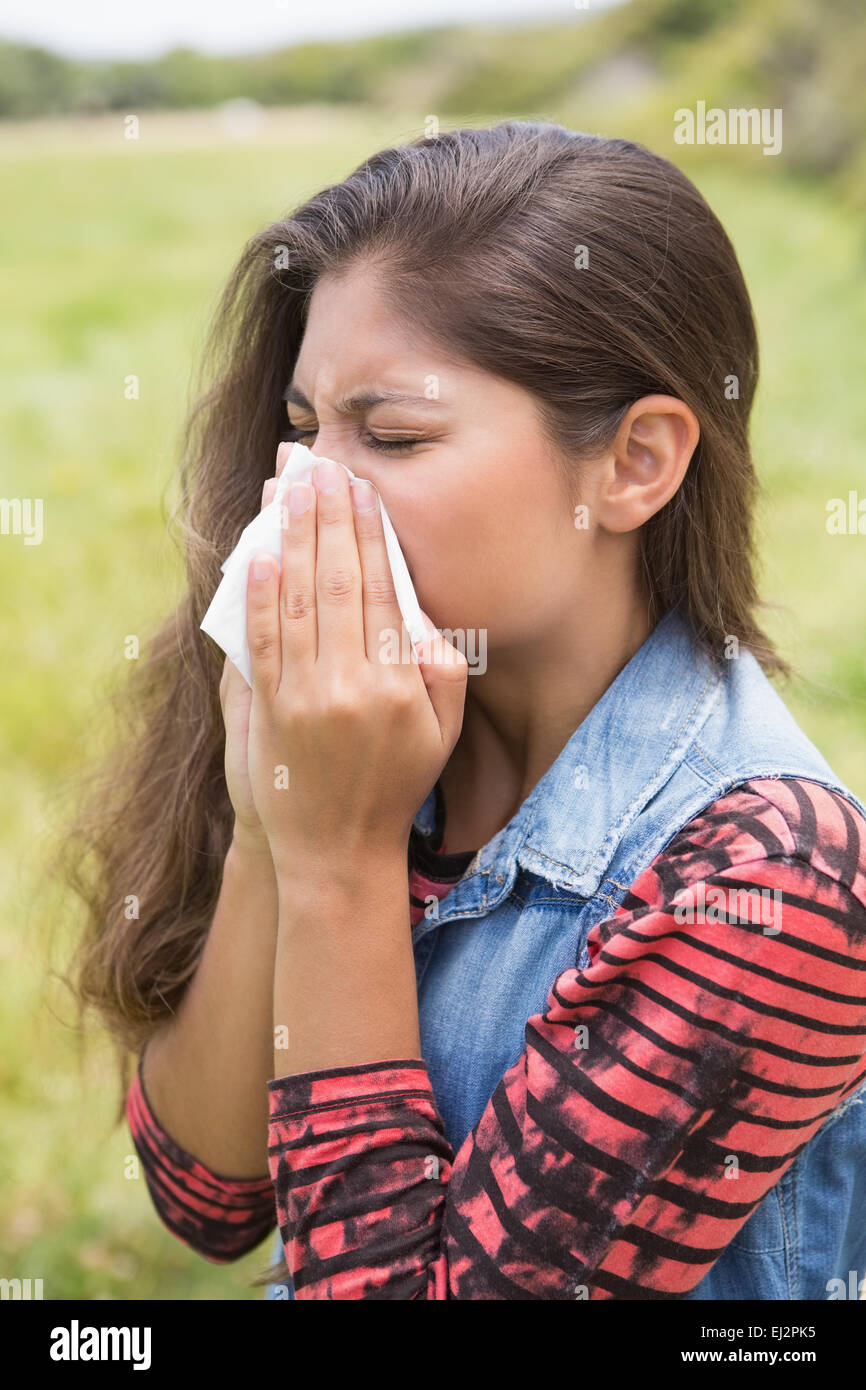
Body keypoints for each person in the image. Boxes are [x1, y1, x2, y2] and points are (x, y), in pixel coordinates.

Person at [68, 121, 866, 1299]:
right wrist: (271, 814)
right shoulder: (381, 733)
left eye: (391, 435)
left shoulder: (768, 880)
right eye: (301, 431)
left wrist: (339, 865)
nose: (298, 492)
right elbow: (206, 1193)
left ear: (633, 463)